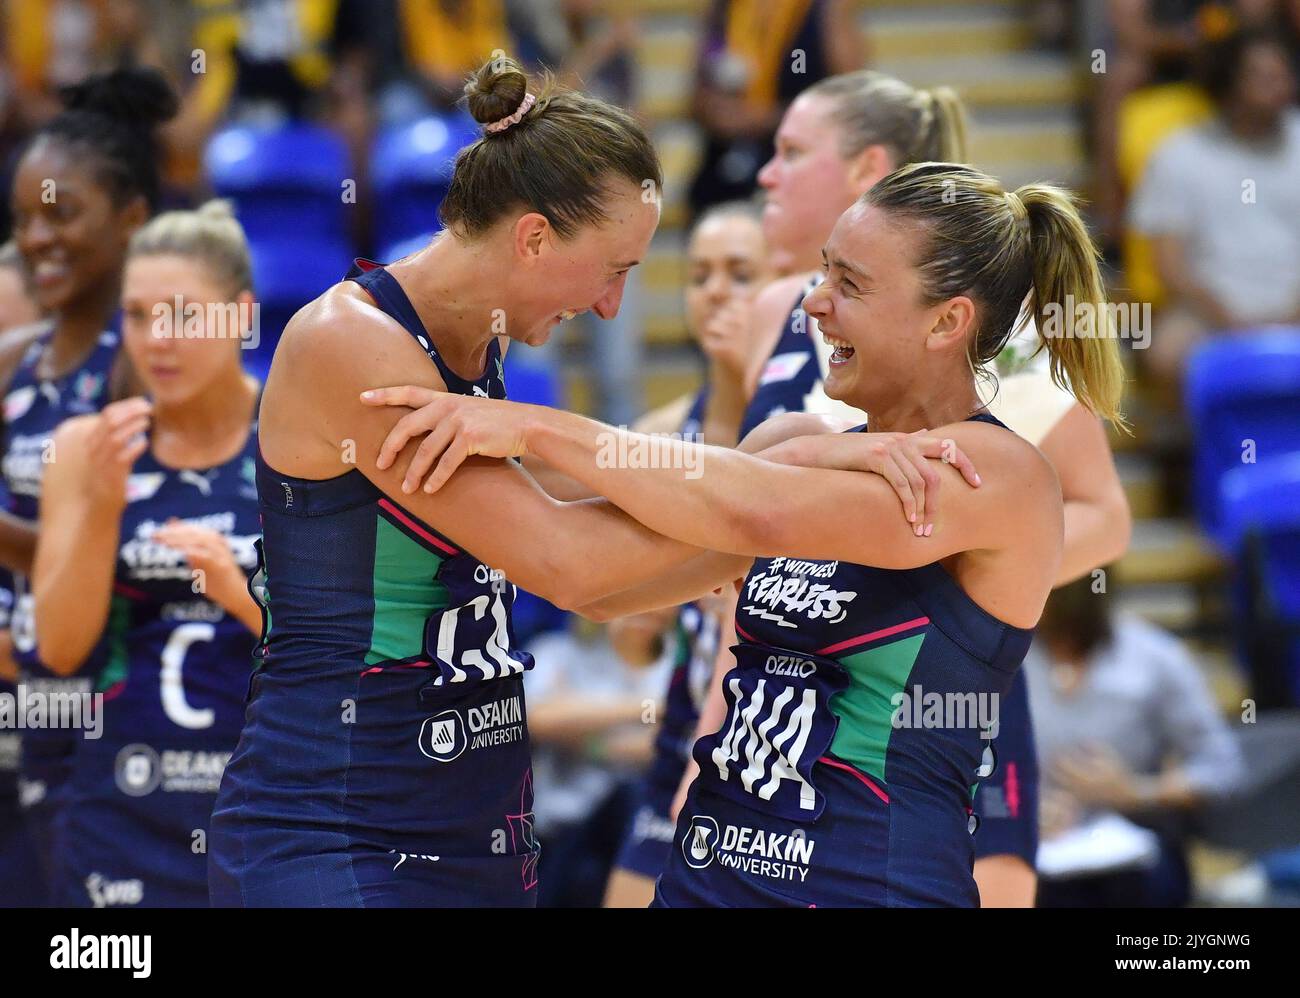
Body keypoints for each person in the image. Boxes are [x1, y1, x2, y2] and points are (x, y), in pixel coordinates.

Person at [361, 160, 1126, 906]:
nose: (815, 305)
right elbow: (605, 587)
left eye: (850, 285)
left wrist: (532, 426)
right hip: (708, 874)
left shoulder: (995, 473)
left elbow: (761, 509)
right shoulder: (801, 447)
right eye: (822, 273)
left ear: (947, 321)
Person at [33, 201, 262, 907]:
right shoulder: (86, 446)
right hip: (120, 806)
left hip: (266, 804)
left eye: (183, 315)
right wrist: (102, 504)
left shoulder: (297, 436)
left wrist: (238, 592)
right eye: (136, 316)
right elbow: (61, 650)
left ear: (243, 317)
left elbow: (346, 645)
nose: (156, 340)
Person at [2, 65, 177, 899]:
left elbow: (116, 558)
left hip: (112, 708)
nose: (36, 239)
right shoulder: (11, 363)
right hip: (22, 702)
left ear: (134, 219)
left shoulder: (142, 371)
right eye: (23, 219)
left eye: (61, 214)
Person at [604, 201, 773, 907]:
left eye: (741, 274)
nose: (716, 291)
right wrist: (657, 595)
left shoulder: (810, 426)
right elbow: (631, 643)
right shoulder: (660, 436)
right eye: (700, 274)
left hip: (778, 744)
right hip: (680, 741)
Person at [1027, 576, 1244, 907]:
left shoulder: (1155, 657)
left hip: (1133, 855)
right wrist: (1017, 811)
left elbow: (1222, 766)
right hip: (1031, 850)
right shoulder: (998, 659)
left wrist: (1137, 791)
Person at [1128, 25, 1300, 385]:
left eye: (1283, 74)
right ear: (1229, 82)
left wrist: (1291, 316)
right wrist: (1227, 318)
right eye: (1264, 76)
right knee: (1167, 350)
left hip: (1294, 302)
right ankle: (1207, 439)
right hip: (1209, 312)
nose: (1281, 84)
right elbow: (1169, 263)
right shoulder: (1178, 153)